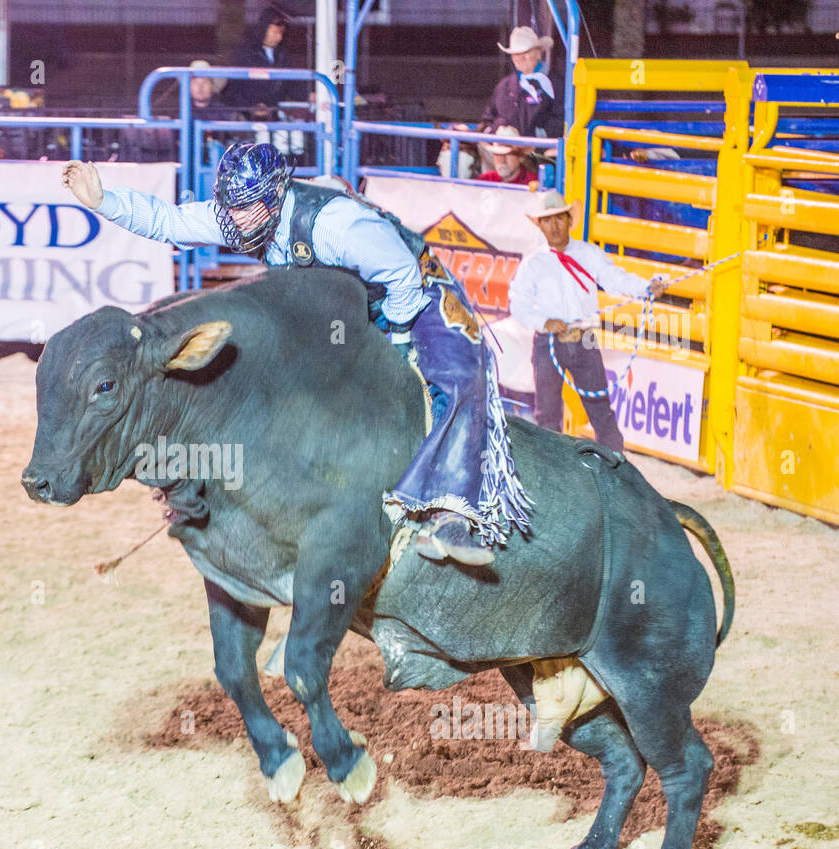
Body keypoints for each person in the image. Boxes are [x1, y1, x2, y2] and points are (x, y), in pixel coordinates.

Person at [60, 143, 533, 565]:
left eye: (243, 209)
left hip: (414, 295)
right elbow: (171, 220)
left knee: (456, 375)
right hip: (342, 308)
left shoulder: (337, 225)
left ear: (271, 199)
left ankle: (453, 512)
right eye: (228, 208)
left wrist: (402, 343)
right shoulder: (242, 213)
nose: (232, 220)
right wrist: (104, 200)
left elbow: (402, 275)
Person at [509, 191, 667, 453]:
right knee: (547, 415)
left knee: (601, 410)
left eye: (559, 218)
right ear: (540, 225)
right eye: (547, 221)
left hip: (585, 340)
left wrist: (646, 287)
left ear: (569, 220)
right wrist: (545, 321)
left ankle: (617, 468)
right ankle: (551, 473)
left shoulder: (589, 254)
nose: (554, 226)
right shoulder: (533, 263)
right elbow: (518, 303)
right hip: (548, 344)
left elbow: (616, 278)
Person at [220, 6, 302, 120]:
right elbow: (233, 88)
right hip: (246, 118)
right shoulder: (244, 53)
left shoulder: (283, 56)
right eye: (275, 33)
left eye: (281, 33)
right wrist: (251, 106)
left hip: (274, 116)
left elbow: (291, 85)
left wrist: (306, 95)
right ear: (264, 29)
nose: (279, 37)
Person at [480, 26, 563, 139]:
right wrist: (493, 131)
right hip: (499, 148)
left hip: (536, 151)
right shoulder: (504, 85)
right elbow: (488, 118)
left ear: (538, 53)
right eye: (515, 53)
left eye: (525, 52)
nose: (519, 58)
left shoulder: (555, 84)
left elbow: (561, 121)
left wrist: (534, 138)